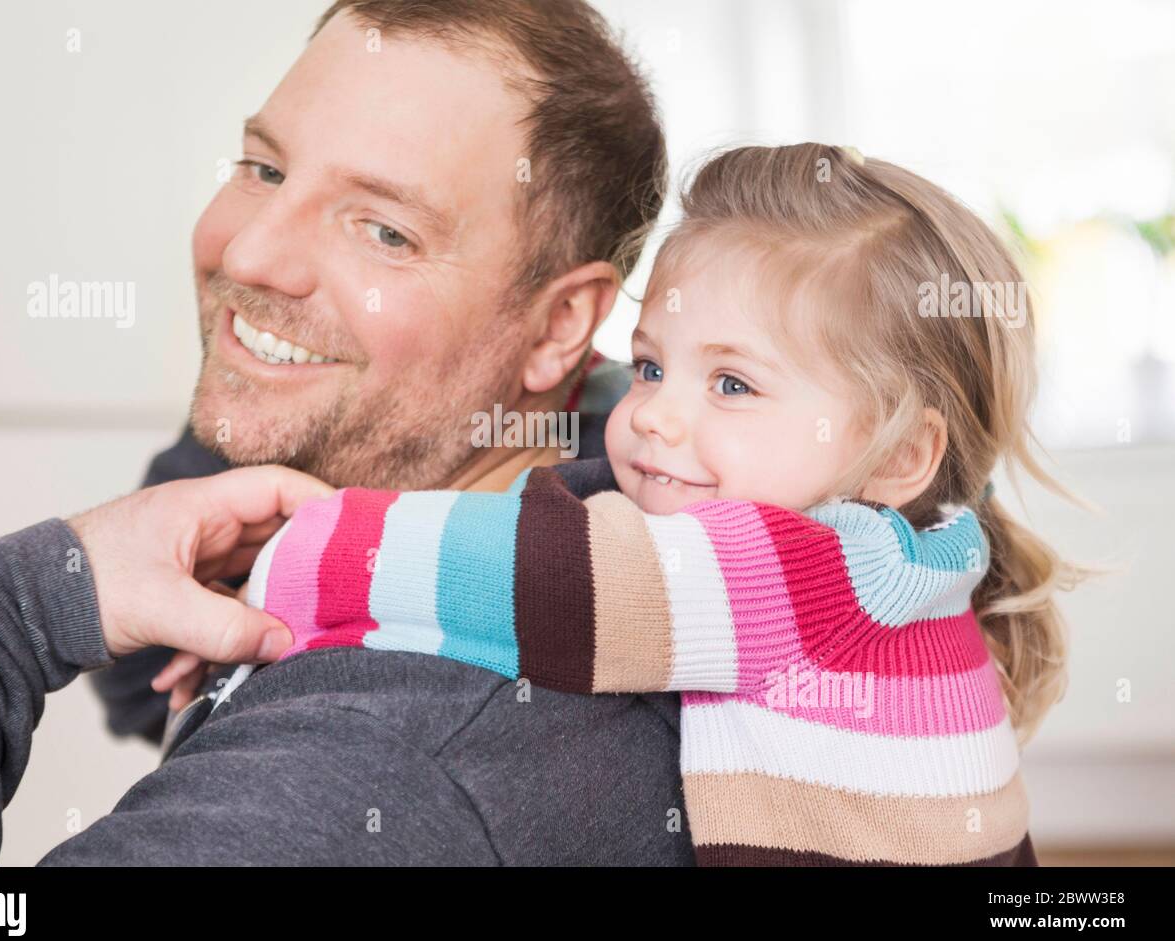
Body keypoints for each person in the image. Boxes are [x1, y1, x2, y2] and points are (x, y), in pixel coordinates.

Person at [0, 0, 695, 865]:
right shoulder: (607, 502)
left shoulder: (372, 764)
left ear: (561, 322)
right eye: (264, 169)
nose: (250, 257)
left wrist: (8, 613)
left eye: (385, 231)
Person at [173, 145, 1089, 865]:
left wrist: (277, 571)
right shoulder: (921, 555)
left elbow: (525, 576)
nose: (651, 414)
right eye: (650, 365)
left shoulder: (798, 570)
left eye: (732, 384)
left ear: (901, 456)